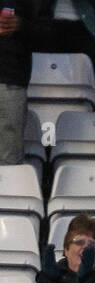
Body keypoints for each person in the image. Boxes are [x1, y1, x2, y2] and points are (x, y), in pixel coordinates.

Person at [0, 2, 44, 167]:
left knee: (8, 162)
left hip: (8, 78)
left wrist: (21, 25)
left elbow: (47, 31)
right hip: (9, 81)